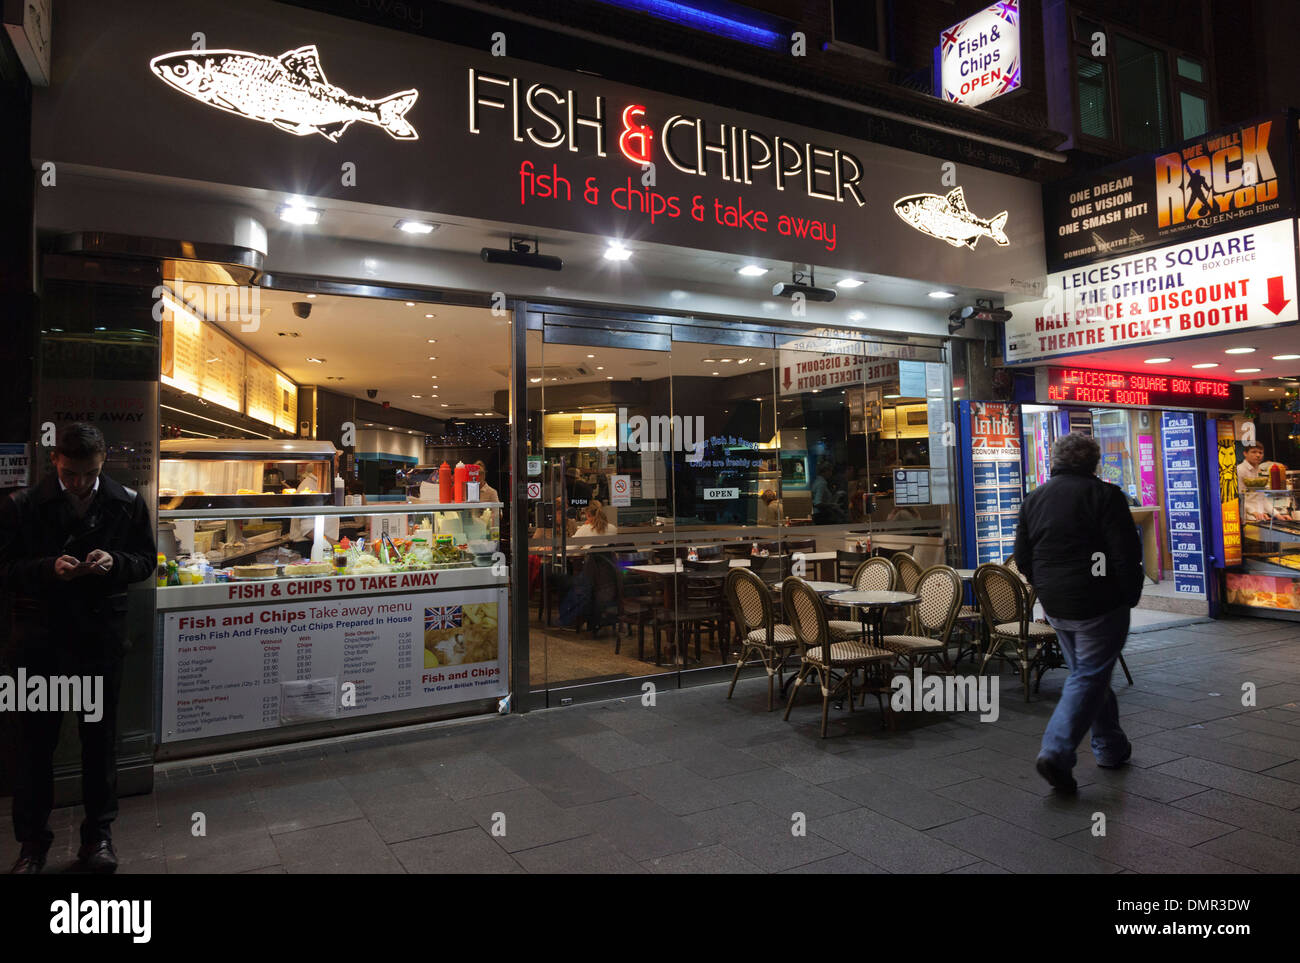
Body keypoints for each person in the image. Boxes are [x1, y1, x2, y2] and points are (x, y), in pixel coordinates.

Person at [0, 423, 156, 873]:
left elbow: (144, 560)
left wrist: (115, 562)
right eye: (70, 474)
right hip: (38, 646)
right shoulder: (23, 505)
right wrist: (49, 568)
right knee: (34, 748)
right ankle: (32, 845)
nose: (79, 483)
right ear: (55, 461)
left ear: (102, 462)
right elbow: (3, 567)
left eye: (88, 474)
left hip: (96, 643)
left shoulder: (126, 503)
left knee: (98, 745)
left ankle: (98, 838)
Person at [1014, 432, 1144, 794]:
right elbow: (1125, 553)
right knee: (1088, 676)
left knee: (1089, 674)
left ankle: (1110, 747)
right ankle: (1056, 752)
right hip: (1099, 603)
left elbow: (1023, 556)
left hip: (1056, 604)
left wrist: (1046, 583)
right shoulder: (1105, 496)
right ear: (1093, 462)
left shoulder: (1034, 499)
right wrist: (1128, 595)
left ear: (1053, 460)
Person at [1236, 443, 1277, 520]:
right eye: (1254, 452)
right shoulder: (1240, 470)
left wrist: (1277, 515)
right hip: (1245, 517)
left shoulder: (1257, 470)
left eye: (1260, 453)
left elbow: (1261, 497)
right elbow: (1239, 497)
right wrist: (1253, 512)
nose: (1258, 455)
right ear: (1245, 454)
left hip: (1259, 515)